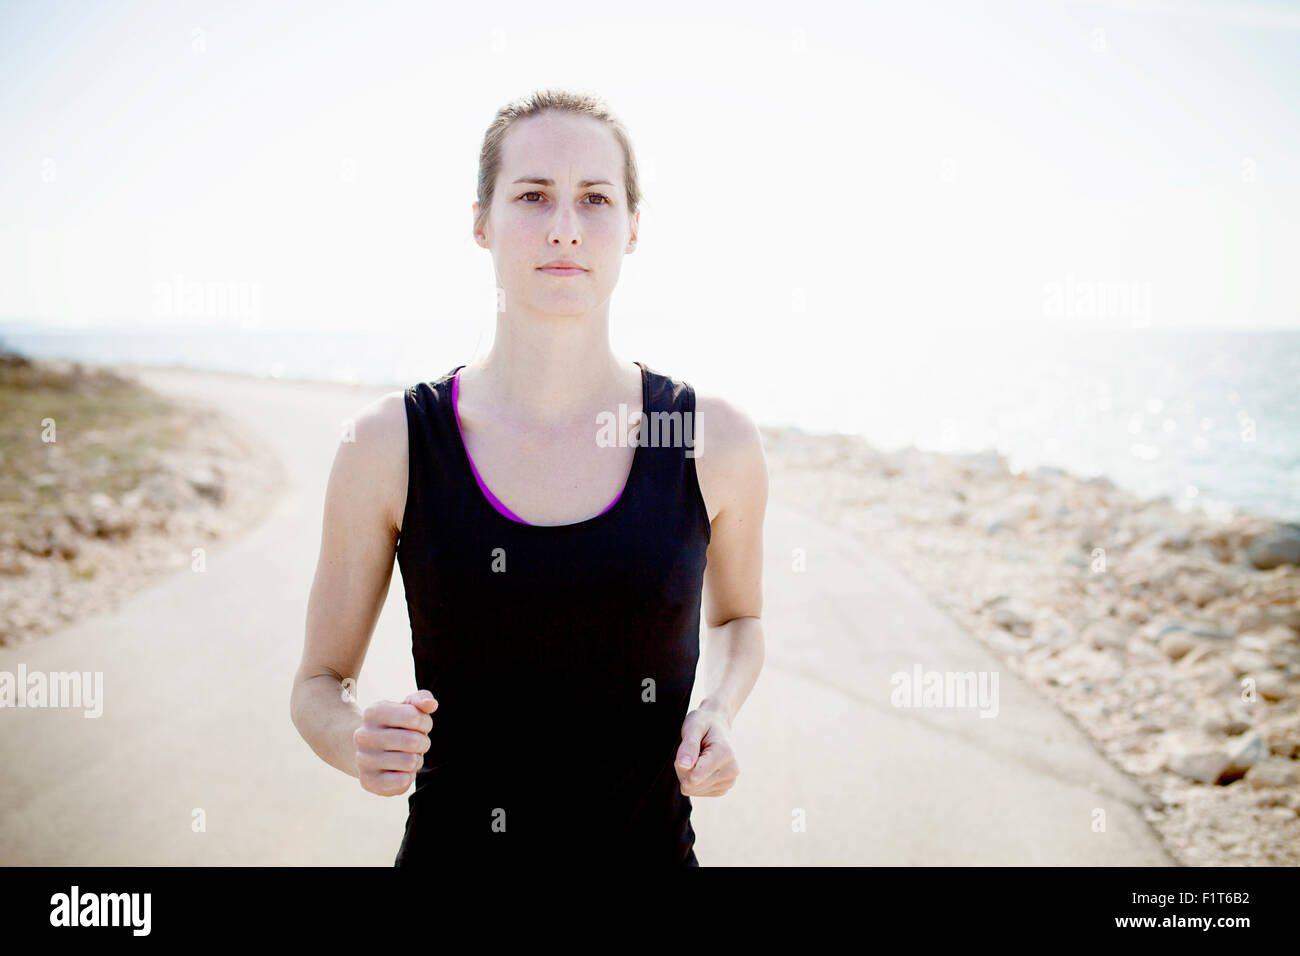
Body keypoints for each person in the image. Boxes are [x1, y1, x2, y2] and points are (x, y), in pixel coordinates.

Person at [290, 88, 768, 868]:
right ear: (480, 221)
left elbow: (737, 621)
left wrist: (719, 708)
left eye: (595, 199)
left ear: (633, 228)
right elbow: (317, 682)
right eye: (533, 195)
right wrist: (356, 742)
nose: (564, 228)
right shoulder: (392, 443)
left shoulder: (711, 439)